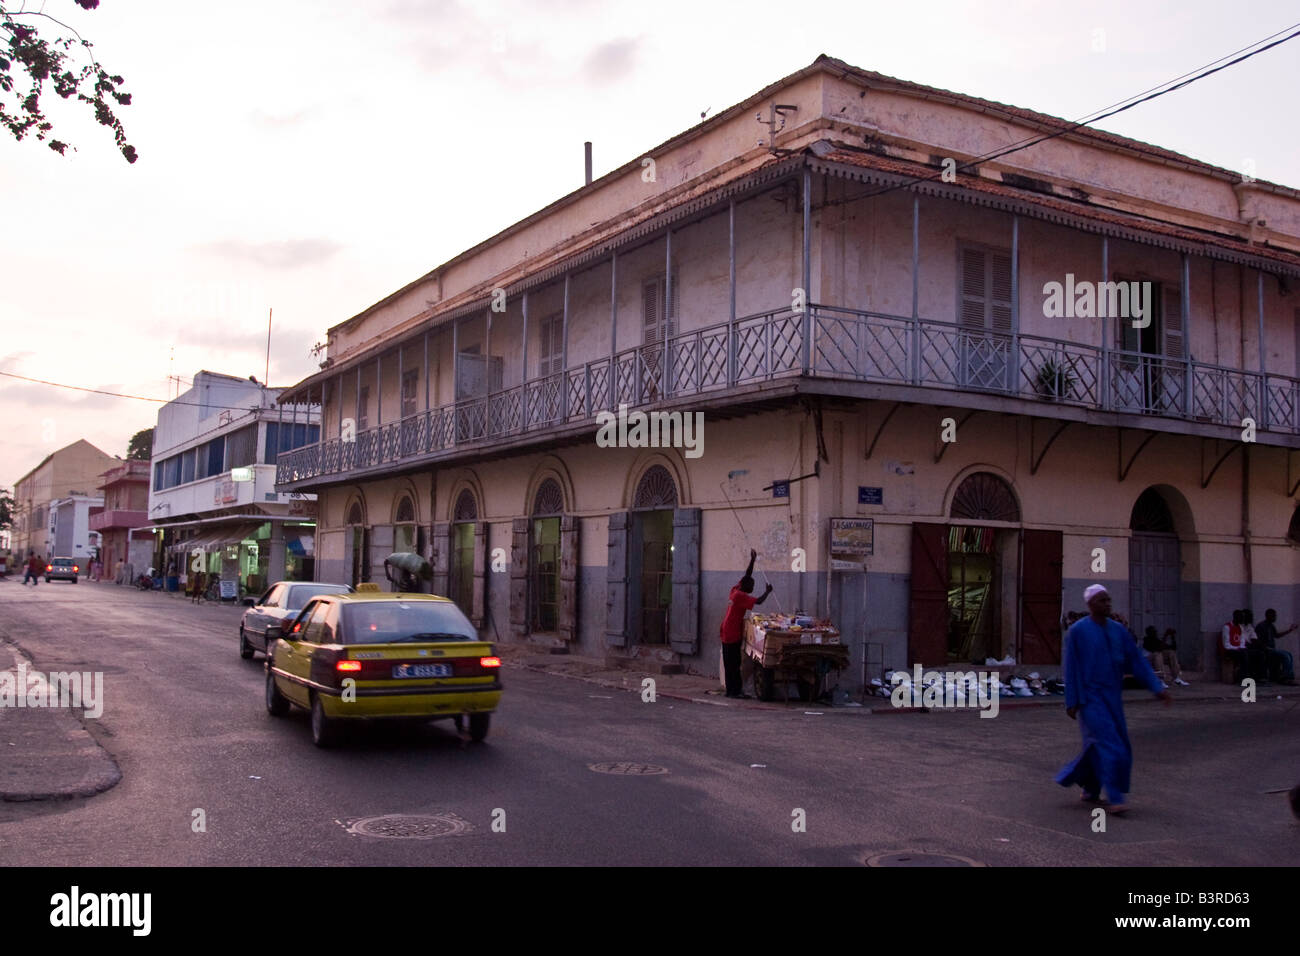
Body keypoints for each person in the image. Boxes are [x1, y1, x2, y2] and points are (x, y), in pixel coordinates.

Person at [1055, 584, 1171, 814]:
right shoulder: (1077, 632)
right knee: (1111, 745)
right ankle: (1116, 797)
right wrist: (1072, 701)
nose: (1107, 604)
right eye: (1101, 600)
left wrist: (1156, 687)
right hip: (1090, 699)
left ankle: (1091, 788)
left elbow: (1136, 661)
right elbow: (1071, 668)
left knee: (1102, 745)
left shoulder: (1119, 631)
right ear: (1090, 605)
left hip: (1113, 697)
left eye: (1108, 600)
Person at [719, 549, 773, 699]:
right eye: (752, 586)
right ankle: (734, 691)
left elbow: (747, 576)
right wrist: (767, 591)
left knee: (729, 662)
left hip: (726, 630)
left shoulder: (735, 590)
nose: (752, 589)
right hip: (731, 632)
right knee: (734, 663)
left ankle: (732, 690)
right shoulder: (741, 596)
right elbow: (759, 601)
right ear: (747, 586)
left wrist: (752, 560)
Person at [1255, 609, 1296, 685]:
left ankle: (1288, 676)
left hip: (1272, 649)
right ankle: (1286, 677)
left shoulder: (1271, 626)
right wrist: (1265, 648)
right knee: (1285, 655)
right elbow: (1257, 641)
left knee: (1288, 654)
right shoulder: (1261, 626)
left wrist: (1289, 630)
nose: (1275, 618)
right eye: (1273, 616)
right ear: (1268, 616)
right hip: (1266, 650)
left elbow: (1277, 635)